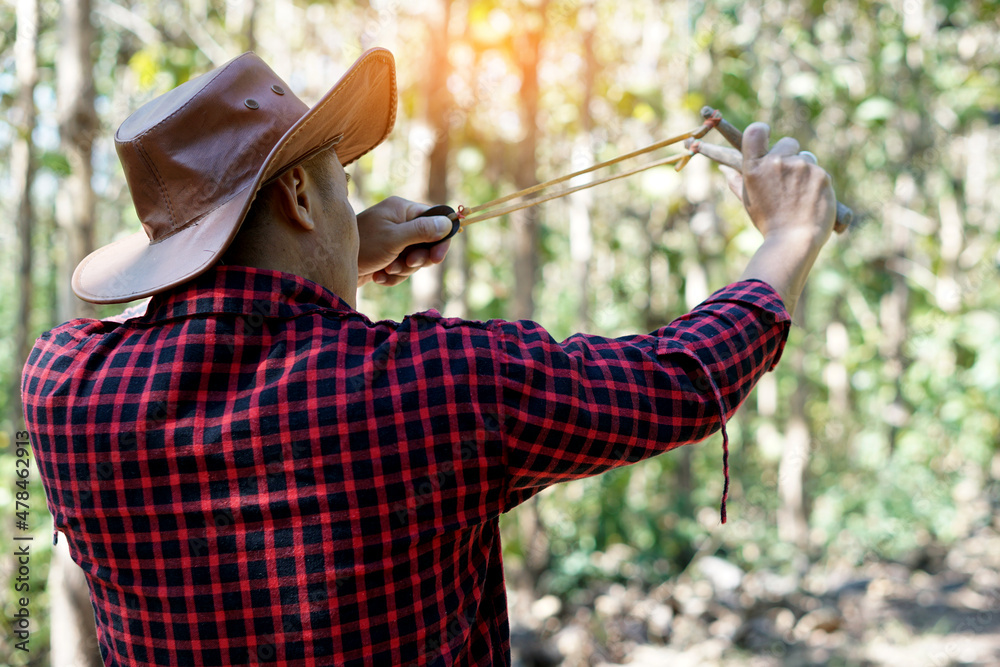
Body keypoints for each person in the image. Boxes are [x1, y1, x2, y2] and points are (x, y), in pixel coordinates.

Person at [21, 48, 836, 666]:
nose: (352, 199)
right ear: (300, 200)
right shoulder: (438, 385)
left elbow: (198, 325)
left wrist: (330, 254)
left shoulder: (64, 388)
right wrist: (790, 238)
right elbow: (679, 379)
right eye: (339, 182)